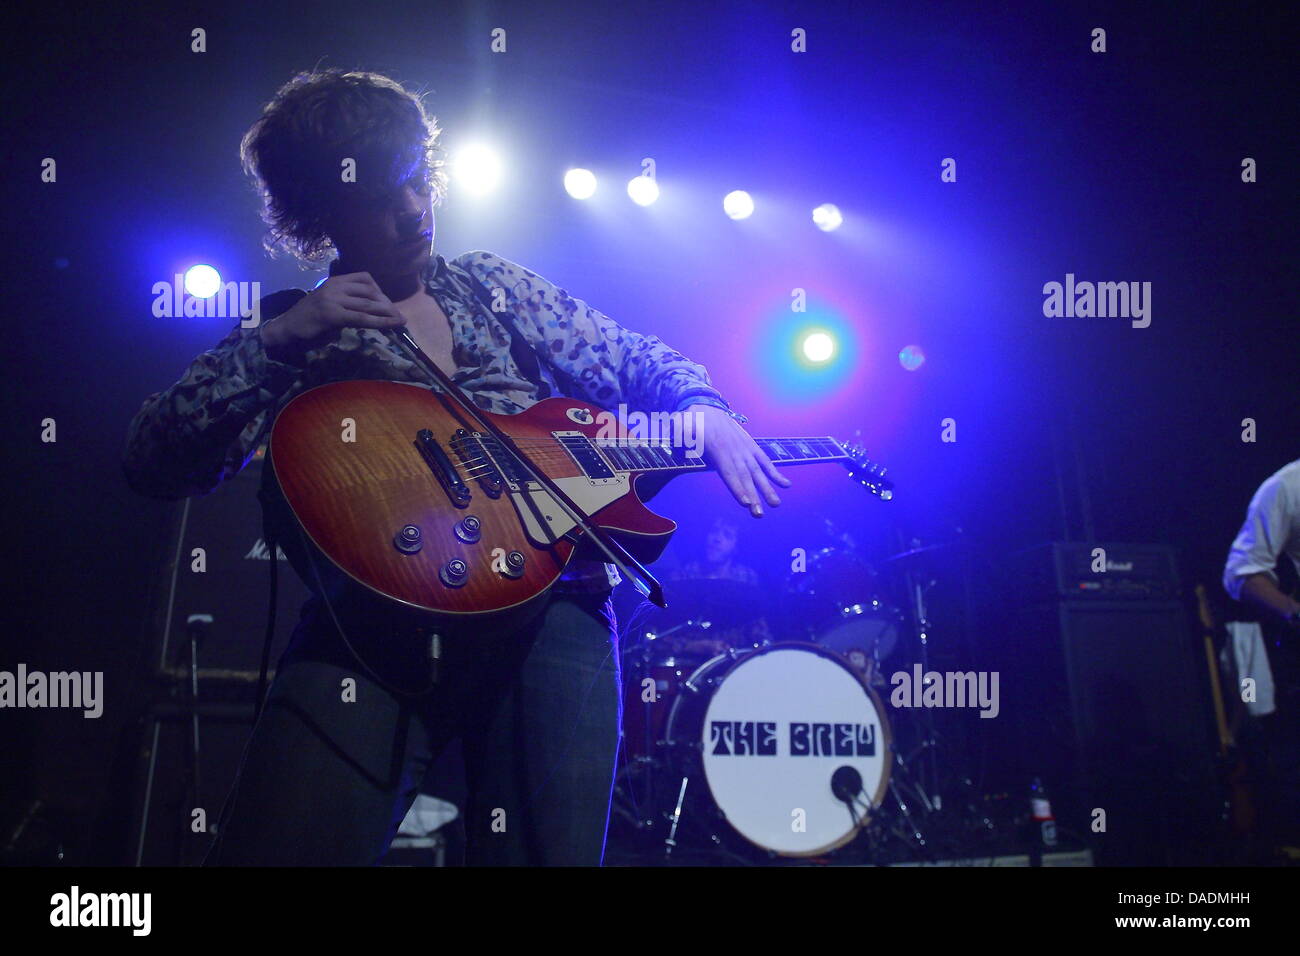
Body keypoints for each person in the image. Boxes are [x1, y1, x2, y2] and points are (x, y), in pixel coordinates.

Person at [122, 68, 789, 866]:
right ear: (320, 212)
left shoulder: (496, 288)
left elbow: (631, 356)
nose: (411, 211)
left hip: (551, 619)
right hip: (367, 635)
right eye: (379, 197)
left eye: (415, 182)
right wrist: (278, 341)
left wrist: (702, 406)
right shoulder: (292, 332)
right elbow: (155, 461)